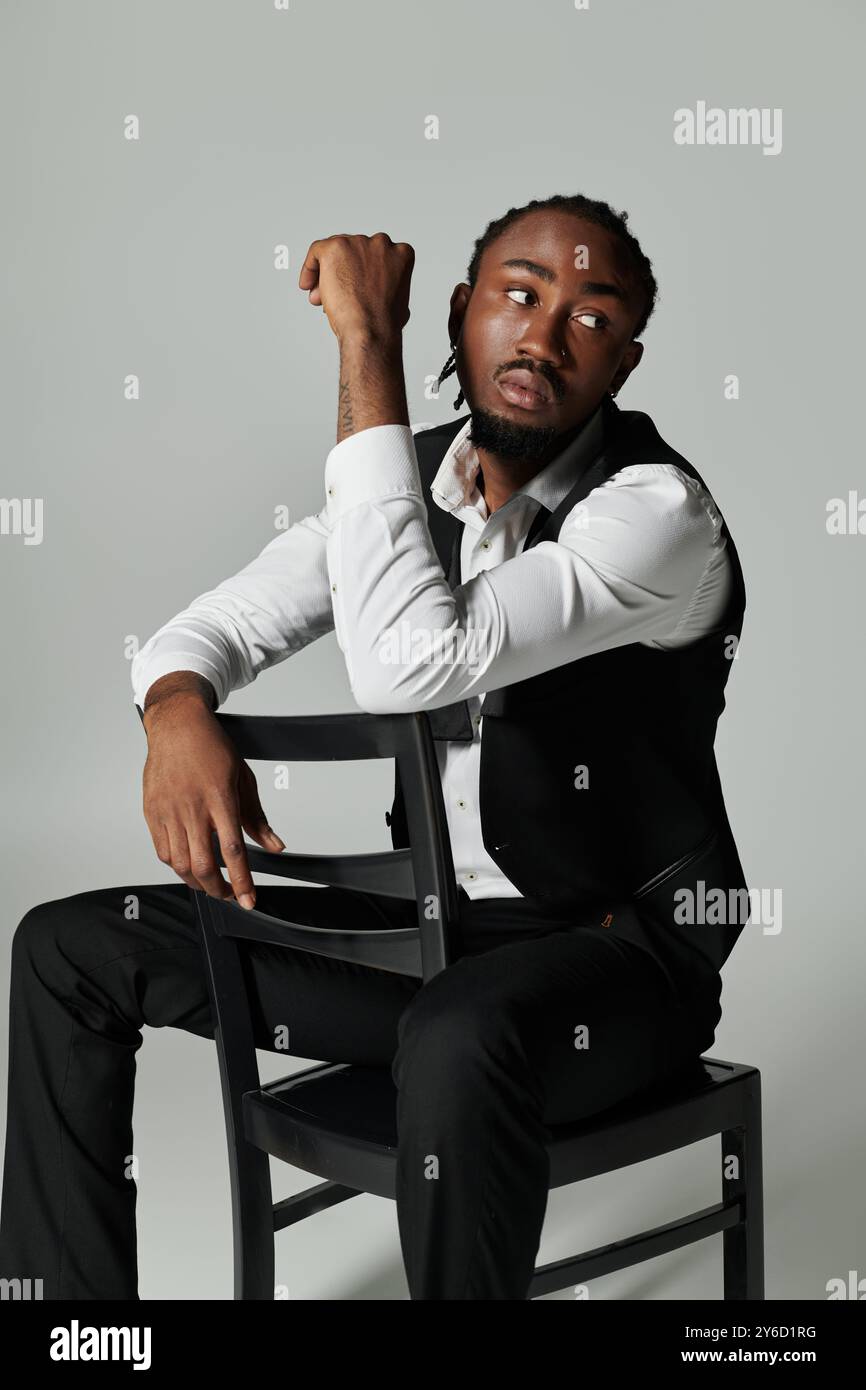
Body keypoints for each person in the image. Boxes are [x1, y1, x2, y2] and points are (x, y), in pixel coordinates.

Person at [0, 192, 749, 1301]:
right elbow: (215, 627)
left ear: (623, 361)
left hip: (621, 957)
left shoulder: (651, 512)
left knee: (456, 1033)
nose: (541, 335)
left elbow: (408, 660)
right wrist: (172, 709)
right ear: (461, 311)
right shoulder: (412, 491)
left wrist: (365, 346)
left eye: (588, 317)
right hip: (437, 940)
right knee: (70, 948)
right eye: (517, 294)